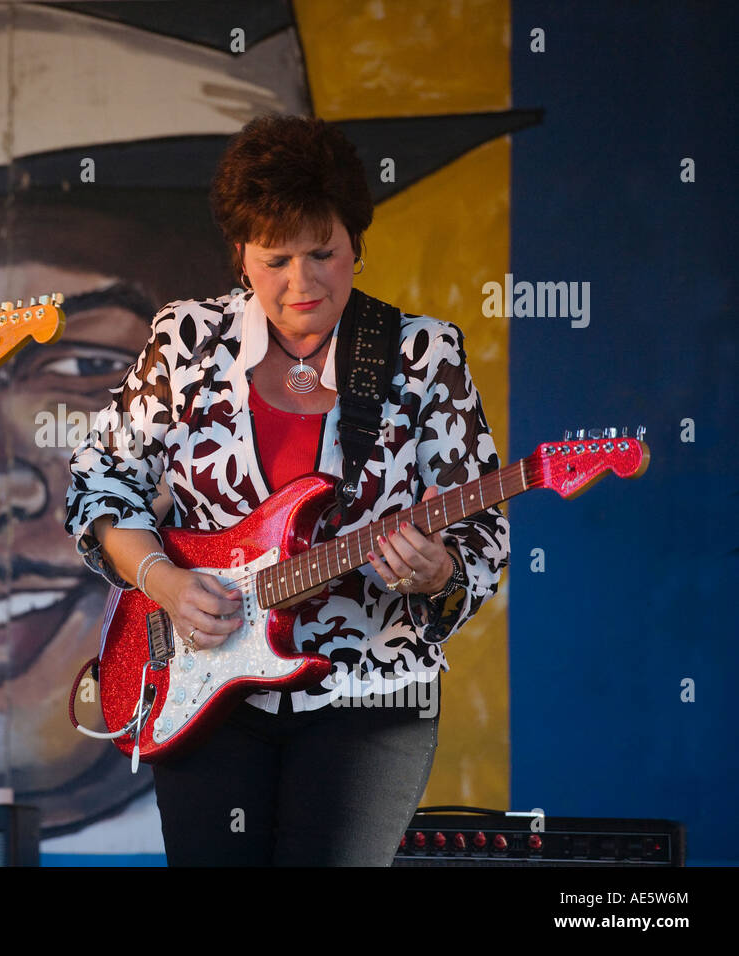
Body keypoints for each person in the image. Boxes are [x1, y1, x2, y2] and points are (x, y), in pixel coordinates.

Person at [65, 115, 510, 866]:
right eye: (275, 260)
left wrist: (440, 573)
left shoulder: (421, 354)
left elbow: (483, 535)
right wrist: (164, 580)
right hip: (203, 685)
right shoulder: (185, 340)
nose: (301, 283)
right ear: (240, 255)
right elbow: (101, 482)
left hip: (369, 692)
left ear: (357, 247)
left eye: (322, 254)